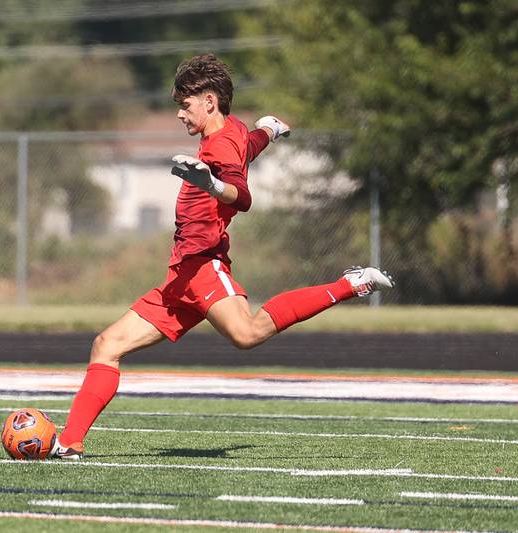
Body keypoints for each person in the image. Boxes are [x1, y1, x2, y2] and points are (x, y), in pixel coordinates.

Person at [52, 54, 393, 459]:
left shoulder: (221, 144)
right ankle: (69, 444)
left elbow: (242, 196)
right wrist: (269, 129)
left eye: (185, 104)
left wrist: (211, 184)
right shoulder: (232, 132)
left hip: (204, 266)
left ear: (209, 101)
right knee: (107, 345)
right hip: (181, 276)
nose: (180, 113)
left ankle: (351, 283)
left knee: (246, 334)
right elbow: (249, 143)